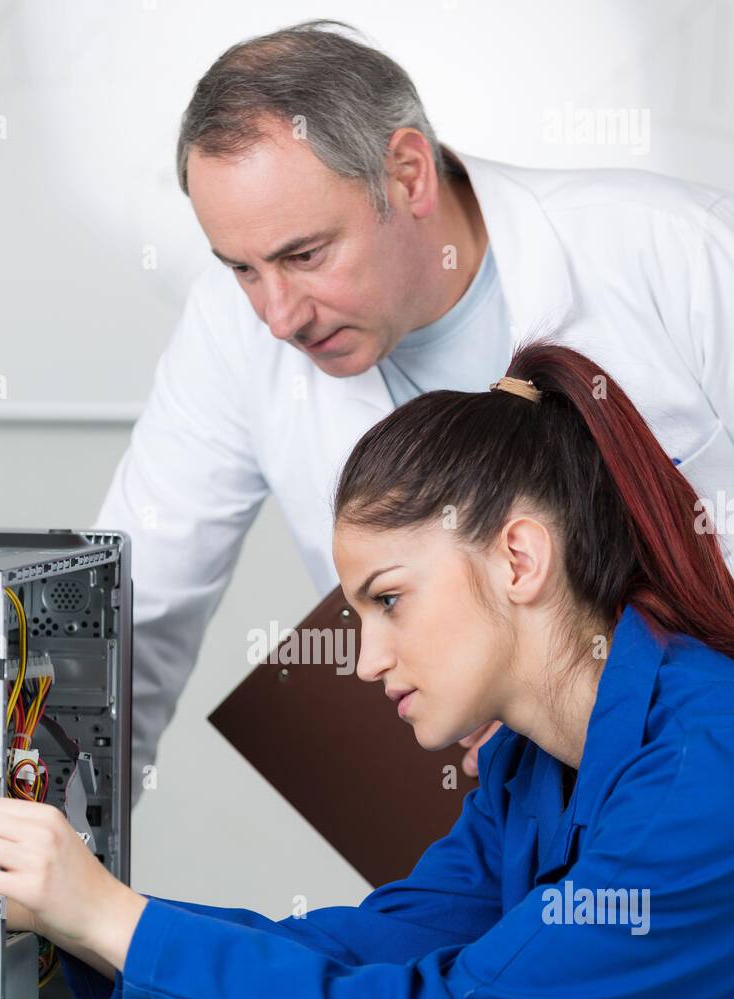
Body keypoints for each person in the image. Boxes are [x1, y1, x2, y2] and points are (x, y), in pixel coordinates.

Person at [0, 341, 734, 999]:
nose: (363, 663)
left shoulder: (700, 772)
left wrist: (111, 918)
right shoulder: (527, 769)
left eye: (389, 600)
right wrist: (78, 918)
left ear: (518, 561)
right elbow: (369, 951)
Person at [97, 20, 734, 792]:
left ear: (408, 174)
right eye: (241, 268)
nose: (278, 316)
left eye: (306, 255)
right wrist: (52, 839)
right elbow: (132, 614)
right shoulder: (232, 332)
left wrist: (560, 689)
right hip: (494, 796)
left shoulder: (679, 249)